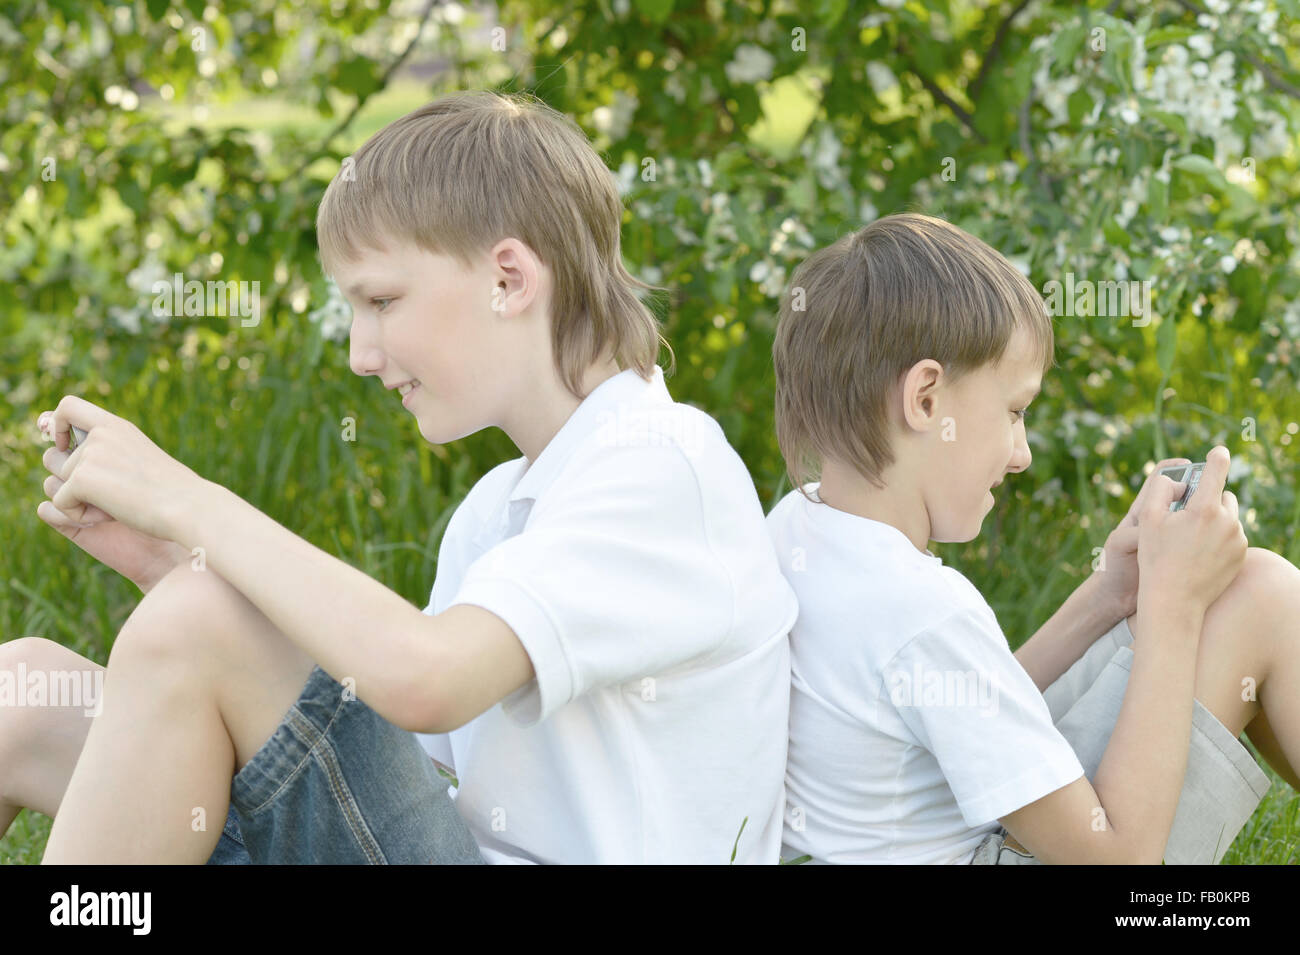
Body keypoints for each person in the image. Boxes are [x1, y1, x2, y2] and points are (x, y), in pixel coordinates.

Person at [6, 91, 797, 864]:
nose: (360, 352)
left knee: (198, 617)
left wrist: (191, 508)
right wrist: (180, 568)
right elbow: (384, 740)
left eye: (381, 299)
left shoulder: (664, 464)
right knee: (25, 691)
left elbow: (426, 681)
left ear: (510, 280)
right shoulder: (500, 508)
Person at [767, 212, 1295, 864]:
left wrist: (1111, 592)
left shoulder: (801, 526)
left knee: (1249, 589)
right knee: (1263, 597)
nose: (1021, 454)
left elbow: (969, 702)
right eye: (1014, 412)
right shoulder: (921, 611)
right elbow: (1119, 861)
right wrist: (1173, 607)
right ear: (926, 399)